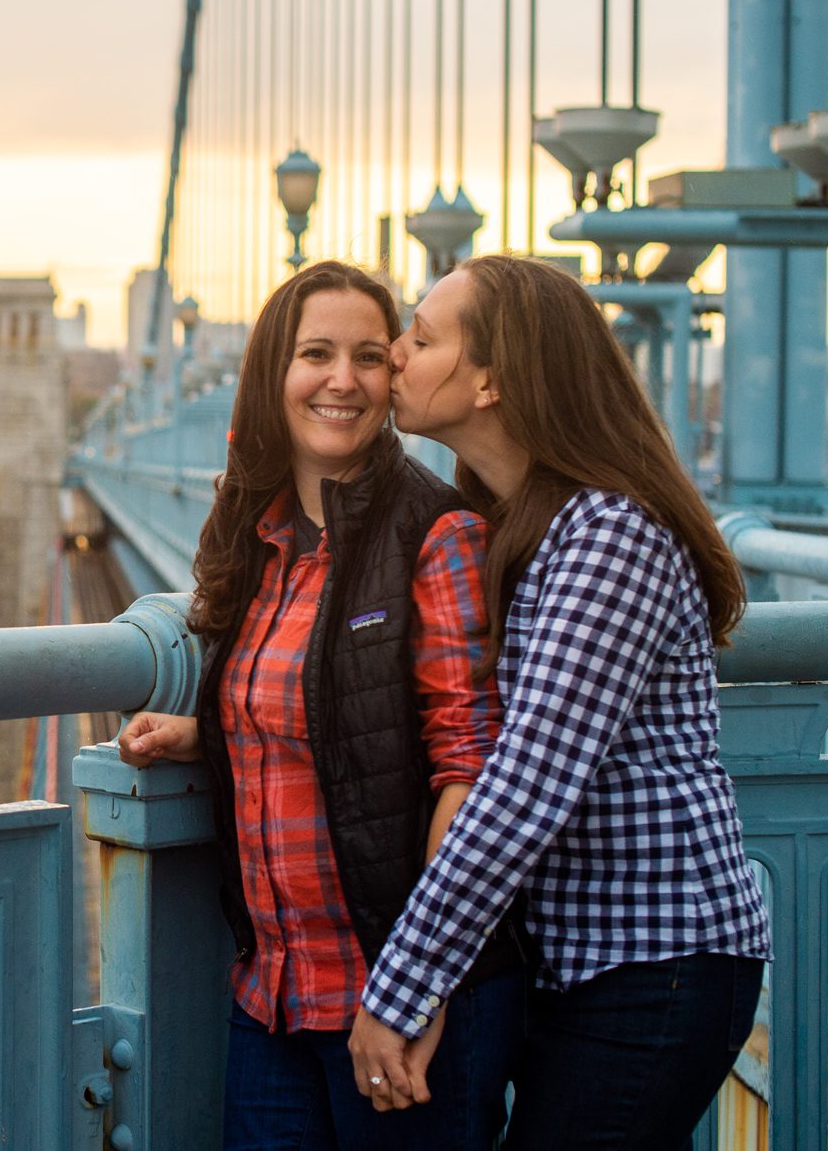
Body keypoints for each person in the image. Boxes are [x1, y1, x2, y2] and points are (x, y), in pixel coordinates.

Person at [347, 253, 770, 1150]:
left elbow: (527, 785)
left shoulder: (609, 536)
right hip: (587, 965)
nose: (394, 352)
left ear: (491, 380)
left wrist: (403, 986)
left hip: (654, 961)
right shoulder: (519, 527)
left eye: (421, 336)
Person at [118, 260, 523, 1150]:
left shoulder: (438, 533)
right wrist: (213, 732)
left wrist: (418, 983)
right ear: (275, 371)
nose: (343, 379)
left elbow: (469, 765)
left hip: (399, 999)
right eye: (316, 354)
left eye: (370, 356)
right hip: (271, 995)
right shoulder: (256, 534)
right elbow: (331, 704)